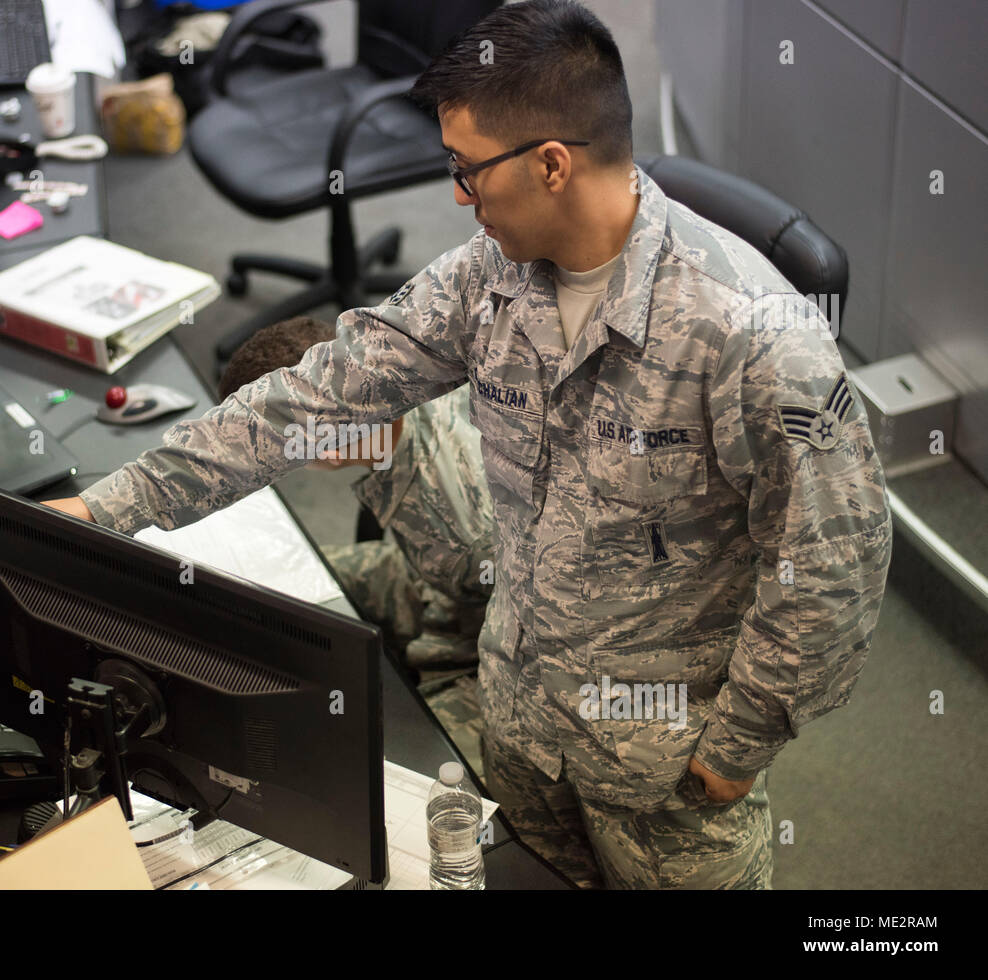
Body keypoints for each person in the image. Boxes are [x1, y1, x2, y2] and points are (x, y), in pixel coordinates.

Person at [45, 0, 891, 889]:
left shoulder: (751, 335)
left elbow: (835, 561)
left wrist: (744, 739)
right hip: (520, 729)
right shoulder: (492, 278)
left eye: (467, 170)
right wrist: (109, 508)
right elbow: (312, 396)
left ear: (553, 164)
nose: (457, 194)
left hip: (666, 777)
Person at [218, 316, 498, 810]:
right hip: (439, 581)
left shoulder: (461, 521)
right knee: (268, 585)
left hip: (488, 651)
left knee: (389, 781)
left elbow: (538, 644)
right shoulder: (403, 372)